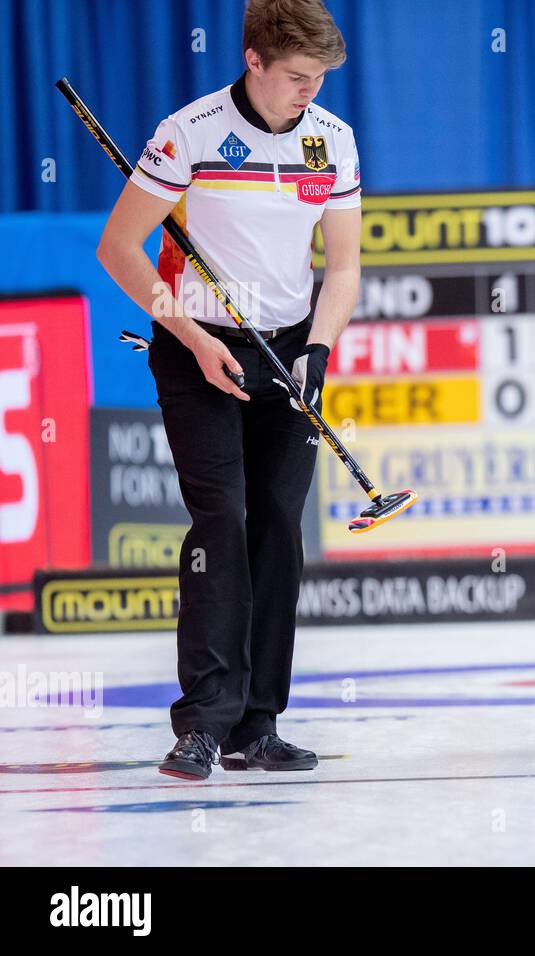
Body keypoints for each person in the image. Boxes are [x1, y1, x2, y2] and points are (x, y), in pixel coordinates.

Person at [96, 0, 361, 779]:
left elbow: (342, 266)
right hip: (196, 349)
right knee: (222, 520)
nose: (309, 92)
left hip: (291, 352)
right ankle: (203, 723)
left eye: (319, 80)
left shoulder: (333, 140)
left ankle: (259, 722)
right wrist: (193, 337)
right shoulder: (192, 132)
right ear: (253, 61)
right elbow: (119, 248)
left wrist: (318, 346)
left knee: (278, 523)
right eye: (297, 78)